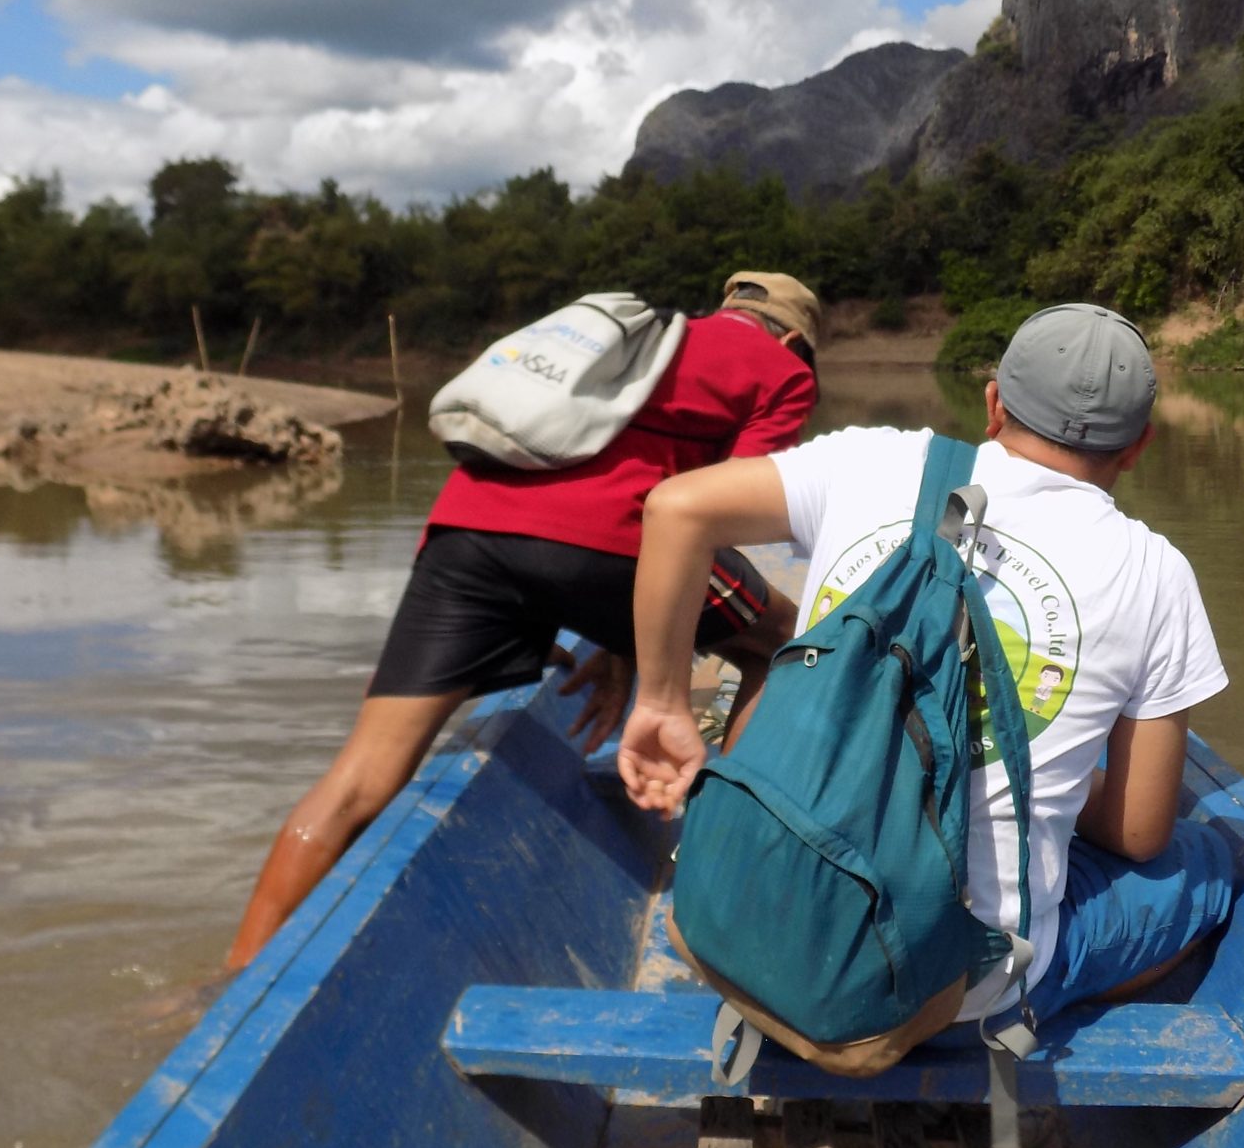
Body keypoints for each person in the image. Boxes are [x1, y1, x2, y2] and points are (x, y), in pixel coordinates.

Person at [617, 301, 1235, 1029]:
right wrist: (1042, 775)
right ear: (1138, 447)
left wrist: (660, 701)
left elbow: (675, 508)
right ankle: (1026, 1008)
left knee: (779, 680)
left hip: (740, 908)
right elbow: (1138, 833)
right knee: (1209, 865)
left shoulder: (875, 460)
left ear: (994, 403)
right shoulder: (1158, 574)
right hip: (951, 983)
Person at [220, 272, 825, 971]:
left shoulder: (644, 339)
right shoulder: (781, 369)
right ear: (791, 339)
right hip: (614, 542)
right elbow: (720, 506)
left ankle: (234, 973)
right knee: (783, 641)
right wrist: (643, 631)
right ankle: (739, 846)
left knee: (360, 775)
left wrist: (620, 635)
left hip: (467, 530)